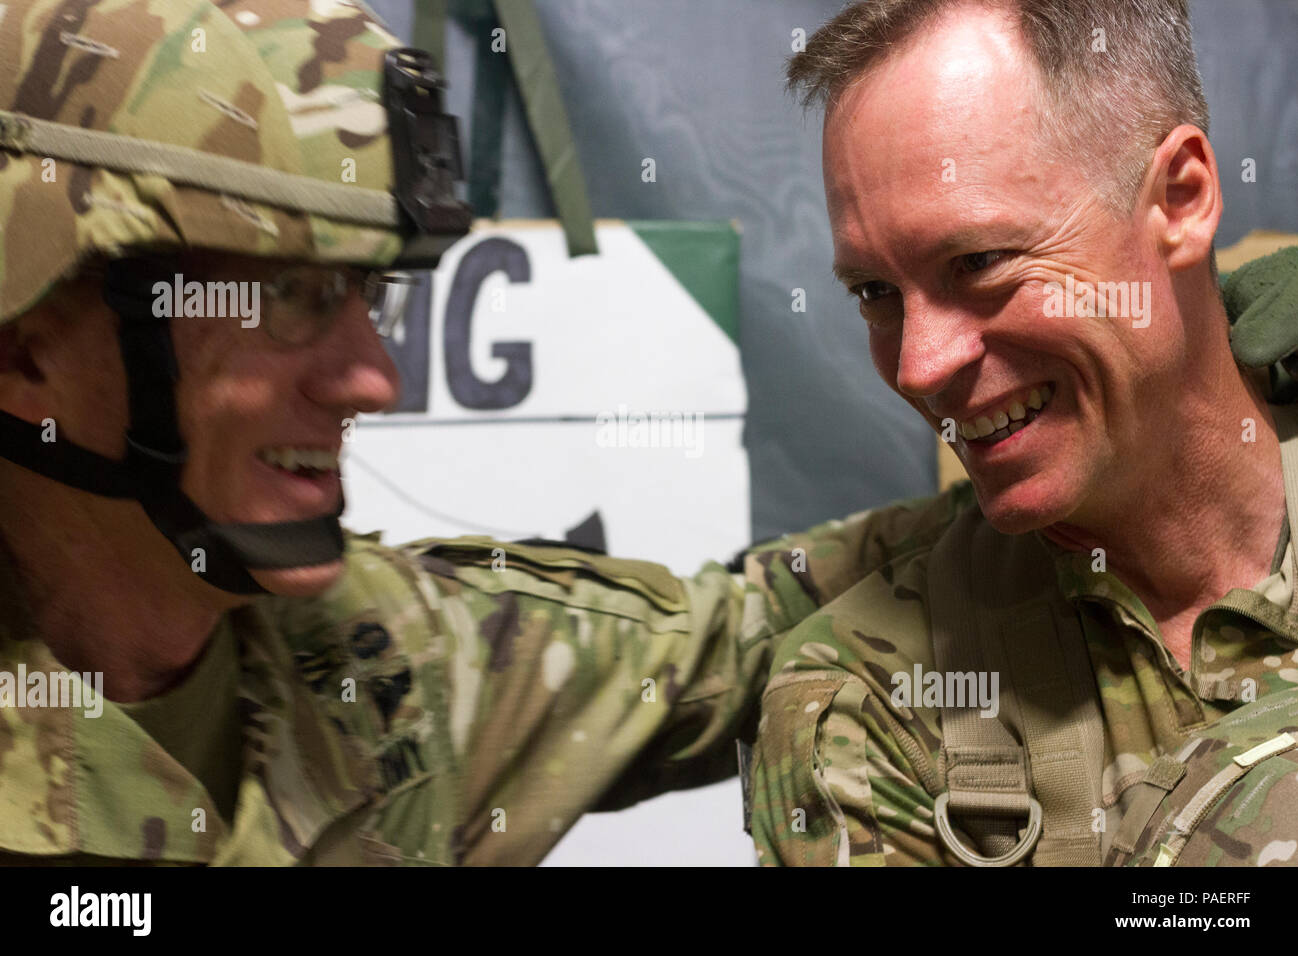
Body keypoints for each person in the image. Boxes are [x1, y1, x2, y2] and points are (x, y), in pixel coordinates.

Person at [0, 0, 877, 866]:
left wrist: (1008, 501)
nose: (376, 382)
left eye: (370, 291)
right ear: (26, 347)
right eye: (293, 294)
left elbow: (746, 633)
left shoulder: (386, 657)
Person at [748, 0, 1298, 866]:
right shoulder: (874, 709)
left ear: (1180, 199)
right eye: (874, 292)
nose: (920, 367)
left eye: (978, 263)